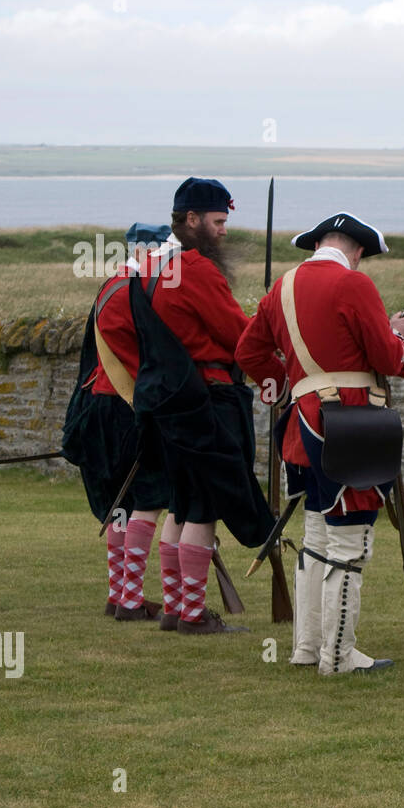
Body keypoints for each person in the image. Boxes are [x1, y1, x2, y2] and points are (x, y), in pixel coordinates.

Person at [236, 213, 404, 674]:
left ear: (318, 243)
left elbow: (248, 352)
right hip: (349, 425)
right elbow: (385, 357)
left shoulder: (281, 288)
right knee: (350, 541)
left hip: (303, 426)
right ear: (356, 250)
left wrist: (293, 387)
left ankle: (306, 647)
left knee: (317, 536)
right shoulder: (353, 285)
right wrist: (399, 336)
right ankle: (337, 655)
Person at [129, 176, 279, 635]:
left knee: (181, 504)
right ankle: (192, 613)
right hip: (208, 401)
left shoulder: (152, 270)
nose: (224, 230)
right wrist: (272, 340)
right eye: (217, 221)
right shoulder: (195, 270)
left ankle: (177, 608)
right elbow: (238, 335)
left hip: (169, 404)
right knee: (203, 507)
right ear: (191, 220)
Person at [61, 223, 171, 623]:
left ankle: (118, 594)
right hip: (131, 408)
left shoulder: (109, 286)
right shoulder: (147, 290)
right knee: (148, 499)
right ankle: (130, 598)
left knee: (119, 505)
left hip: (99, 406)